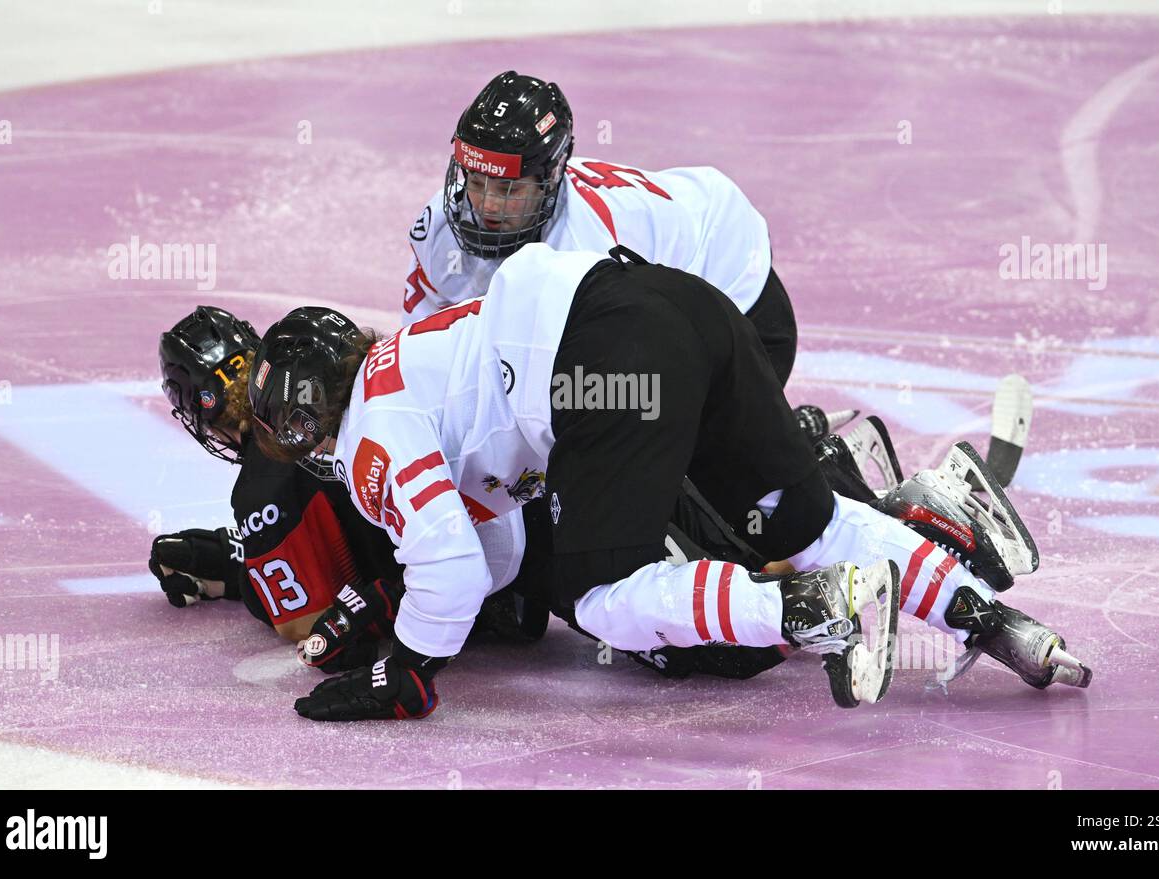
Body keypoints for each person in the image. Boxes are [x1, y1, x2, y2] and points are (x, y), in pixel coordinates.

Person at [249, 244, 1090, 722]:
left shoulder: (369, 429)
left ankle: (811, 608)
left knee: (600, 593)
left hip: (601, 368)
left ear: (299, 415)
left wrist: (405, 666)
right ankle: (990, 613)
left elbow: (459, 571)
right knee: (812, 523)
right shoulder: (415, 357)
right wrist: (426, 595)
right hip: (680, 306)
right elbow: (492, 549)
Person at [149, 306, 543, 674]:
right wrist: (241, 559)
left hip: (487, 577)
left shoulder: (261, 486)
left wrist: (249, 585)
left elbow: (304, 621)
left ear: (203, 414)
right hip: (524, 483)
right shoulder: (336, 388)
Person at [402, 70, 799, 389]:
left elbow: (599, 391)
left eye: (508, 188)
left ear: (550, 176)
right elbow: (420, 350)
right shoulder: (439, 225)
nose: (486, 203)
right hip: (658, 299)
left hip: (738, 300)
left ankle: (807, 463)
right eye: (474, 180)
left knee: (651, 452)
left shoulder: (584, 252)